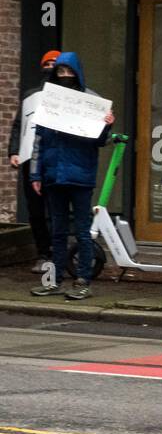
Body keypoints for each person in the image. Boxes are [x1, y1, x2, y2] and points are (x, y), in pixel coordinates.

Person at [29, 53, 114, 301]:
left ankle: (83, 281)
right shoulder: (49, 101)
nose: (65, 76)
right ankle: (52, 281)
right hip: (54, 174)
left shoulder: (91, 100)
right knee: (56, 231)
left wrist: (107, 125)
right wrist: (36, 173)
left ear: (77, 72)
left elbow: (101, 141)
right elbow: (38, 140)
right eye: (61, 72)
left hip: (80, 175)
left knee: (82, 231)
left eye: (69, 72)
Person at [8, 50, 59, 273]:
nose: (50, 67)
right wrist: (14, 151)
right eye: (46, 63)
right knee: (36, 211)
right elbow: (19, 126)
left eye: (54, 63)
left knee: (55, 209)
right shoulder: (30, 96)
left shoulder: (68, 95)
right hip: (31, 160)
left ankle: (58, 253)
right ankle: (43, 253)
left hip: (56, 160)